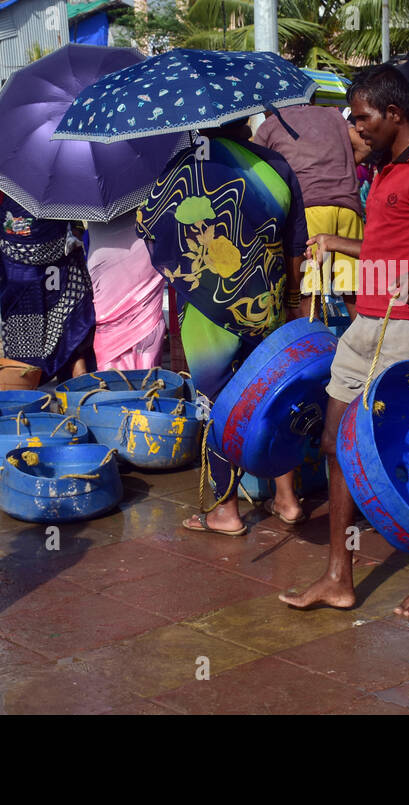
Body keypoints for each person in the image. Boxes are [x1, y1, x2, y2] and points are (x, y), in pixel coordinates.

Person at [280, 64, 409, 616]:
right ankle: (339, 577)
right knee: (335, 443)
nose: (355, 129)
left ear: (394, 114)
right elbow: (389, 251)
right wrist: (337, 242)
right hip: (366, 323)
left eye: (362, 119)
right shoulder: (386, 169)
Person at [131, 120, 307, 535]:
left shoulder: (180, 169)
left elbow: (148, 226)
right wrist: (292, 300)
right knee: (273, 394)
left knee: (220, 403)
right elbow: (296, 245)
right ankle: (287, 498)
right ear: (246, 120)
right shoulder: (276, 165)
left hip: (206, 313)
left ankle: (227, 510)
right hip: (266, 301)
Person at [0, 167, 96, 382]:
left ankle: (78, 376)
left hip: (59, 251)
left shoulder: (64, 154)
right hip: (16, 258)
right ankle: (26, 382)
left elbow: (77, 194)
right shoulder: (1, 155)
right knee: (23, 321)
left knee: (70, 312)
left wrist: (77, 229)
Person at [253, 103, 364, 317]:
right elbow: (365, 146)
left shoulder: (270, 125)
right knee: (354, 290)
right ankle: (371, 348)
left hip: (308, 209)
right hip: (348, 207)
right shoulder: (335, 116)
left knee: (309, 294)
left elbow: (256, 167)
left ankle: (314, 350)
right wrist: (339, 168)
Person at [86, 215, 166, 371]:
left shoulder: (87, 197)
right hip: (141, 262)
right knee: (148, 380)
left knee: (113, 383)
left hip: (109, 271)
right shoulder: (147, 194)